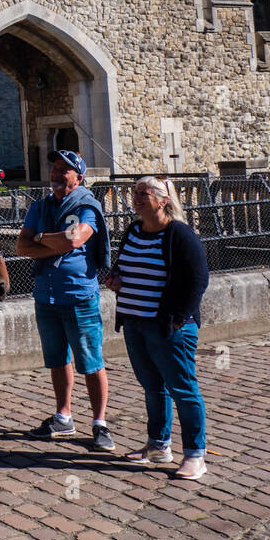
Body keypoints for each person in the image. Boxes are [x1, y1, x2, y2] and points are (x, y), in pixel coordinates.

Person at [108, 177, 210, 479]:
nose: (137, 198)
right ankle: (158, 445)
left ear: (163, 200)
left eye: (144, 194)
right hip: (134, 322)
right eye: (135, 193)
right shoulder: (133, 231)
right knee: (153, 387)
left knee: (183, 389)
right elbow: (123, 265)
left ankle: (195, 454)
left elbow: (198, 280)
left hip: (169, 327)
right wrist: (116, 279)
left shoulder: (179, 234)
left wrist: (177, 318)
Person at [17, 150, 115, 451]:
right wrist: (55, 242)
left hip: (78, 294)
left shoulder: (87, 205)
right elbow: (22, 246)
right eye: (55, 169)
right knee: (58, 359)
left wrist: (42, 238)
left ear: (79, 177)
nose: (57, 174)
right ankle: (64, 416)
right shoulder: (41, 205)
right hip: (46, 294)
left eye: (65, 171)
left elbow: (75, 239)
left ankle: (99, 423)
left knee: (91, 361)